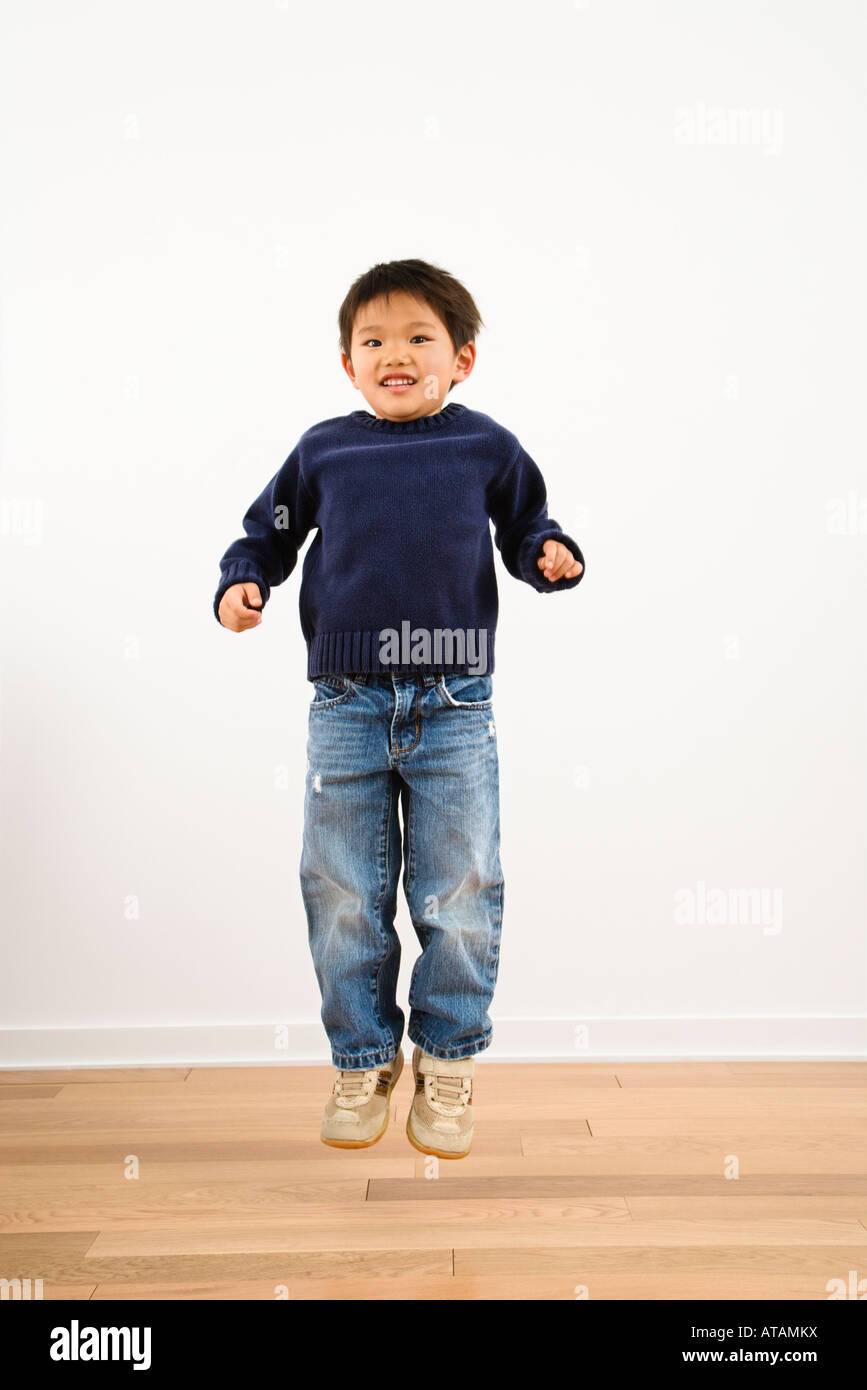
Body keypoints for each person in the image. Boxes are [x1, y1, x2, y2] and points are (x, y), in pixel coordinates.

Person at [213, 258, 585, 1159]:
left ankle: (447, 1058)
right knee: (341, 890)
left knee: (459, 889)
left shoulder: (485, 445)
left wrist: (550, 552)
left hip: (454, 700)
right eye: (373, 340)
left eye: (419, 338)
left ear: (460, 358)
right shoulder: (324, 449)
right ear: (348, 363)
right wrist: (244, 581)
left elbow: (528, 521)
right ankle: (363, 1055)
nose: (396, 354)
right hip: (344, 702)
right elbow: (267, 531)